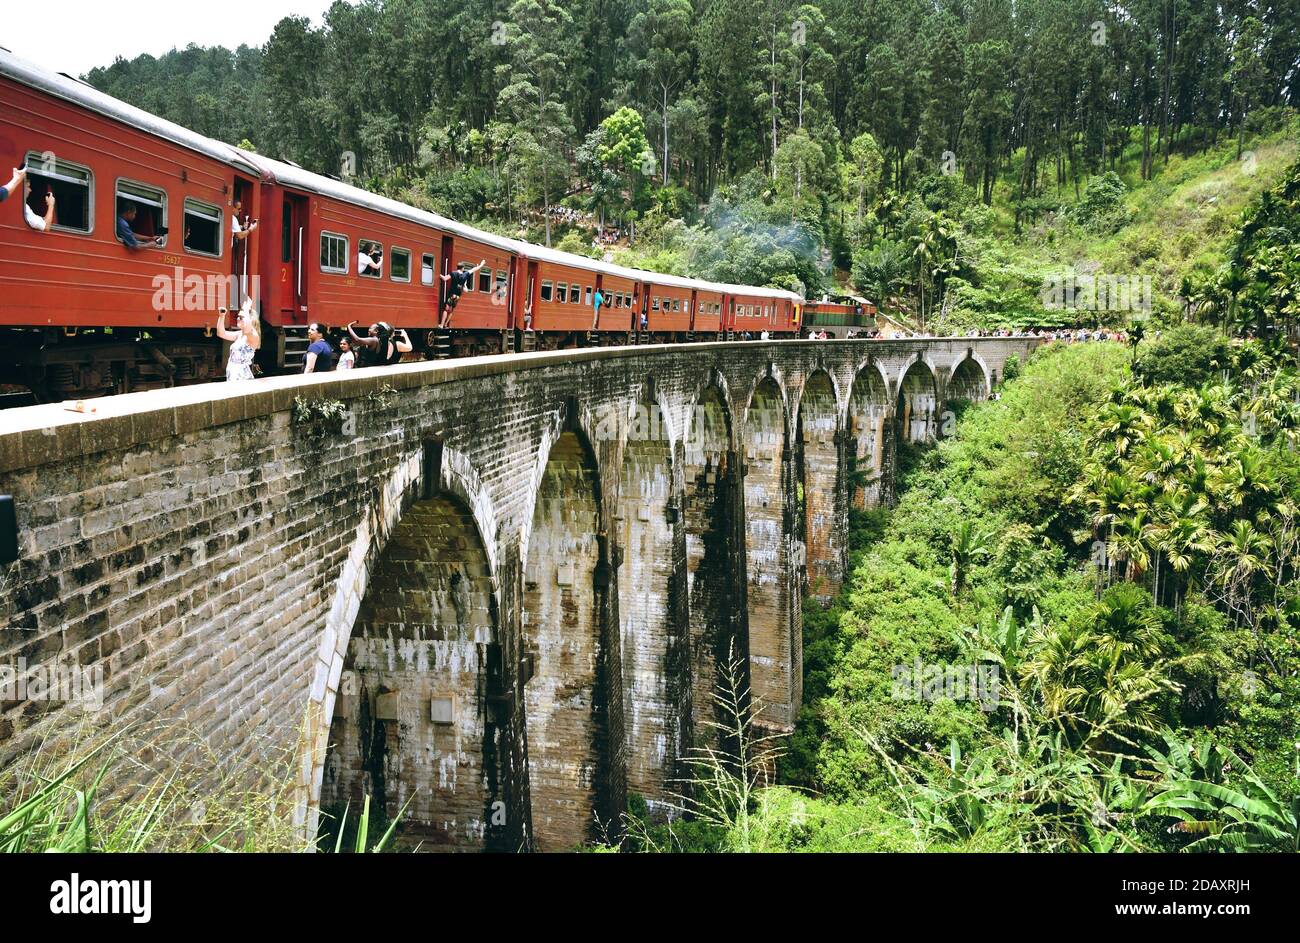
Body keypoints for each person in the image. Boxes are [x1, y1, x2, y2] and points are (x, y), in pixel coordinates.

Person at [215, 299, 260, 381]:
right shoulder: (239, 334)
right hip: (233, 376)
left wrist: (246, 309)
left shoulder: (253, 336)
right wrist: (222, 316)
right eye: (238, 316)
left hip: (242, 378)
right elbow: (221, 333)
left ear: (250, 319)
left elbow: (247, 329)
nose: (238, 318)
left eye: (241, 317)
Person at [439, 259, 487, 328]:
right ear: (463, 268)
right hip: (457, 296)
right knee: (451, 310)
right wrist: (481, 265)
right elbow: (474, 269)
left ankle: (441, 325)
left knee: (446, 309)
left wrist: (438, 273)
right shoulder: (465, 274)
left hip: (451, 295)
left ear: (457, 267)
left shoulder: (453, 273)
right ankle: (446, 324)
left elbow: (445, 279)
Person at [347, 320, 412, 367]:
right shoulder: (395, 344)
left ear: (377, 331)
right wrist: (405, 335)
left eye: (370, 328)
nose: (368, 329)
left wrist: (349, 326)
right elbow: (409, 347)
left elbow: (357, 340)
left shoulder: (375, 341)